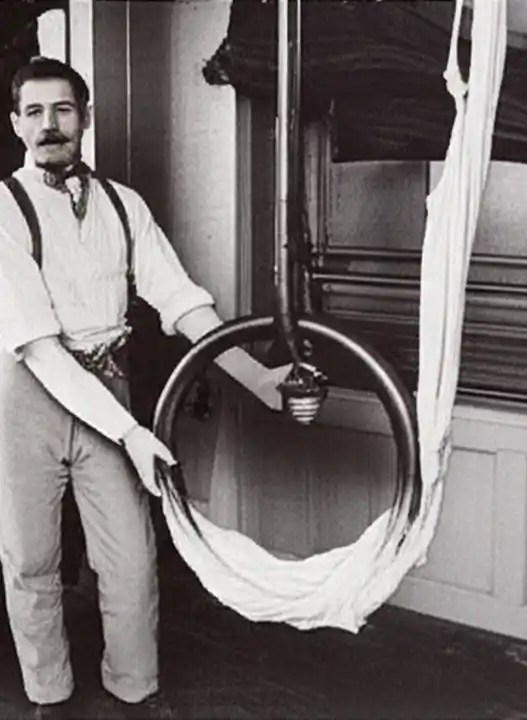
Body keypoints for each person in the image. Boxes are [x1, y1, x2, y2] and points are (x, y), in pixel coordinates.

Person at [0, 57, 292, 716]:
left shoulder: (123, 206)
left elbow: (184, 304)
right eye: (36, 112)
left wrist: (259, 380)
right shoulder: (2, 210)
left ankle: (135, 688)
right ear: (16, 123)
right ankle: (48, 693)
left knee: (131, 557)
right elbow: (41, 350)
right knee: (30, 559)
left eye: (64, 110)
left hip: (108, 384)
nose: (51, 125)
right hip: (27, 390)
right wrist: (132, 433)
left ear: (86, 117)